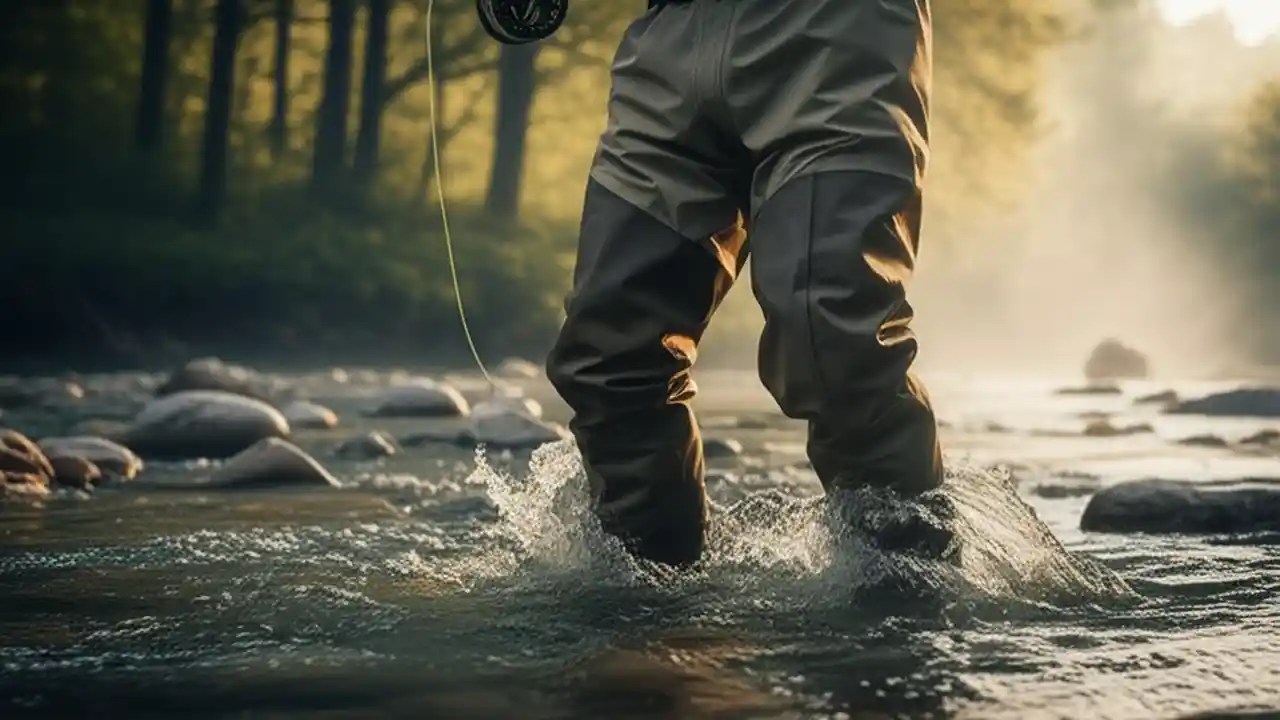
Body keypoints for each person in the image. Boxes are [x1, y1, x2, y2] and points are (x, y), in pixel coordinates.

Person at [546, 0, 943, 567]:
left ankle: (903, 612)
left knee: (834, 346)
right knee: (608, 362)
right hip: (668, 40)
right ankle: (645, 617)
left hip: (835, 33)